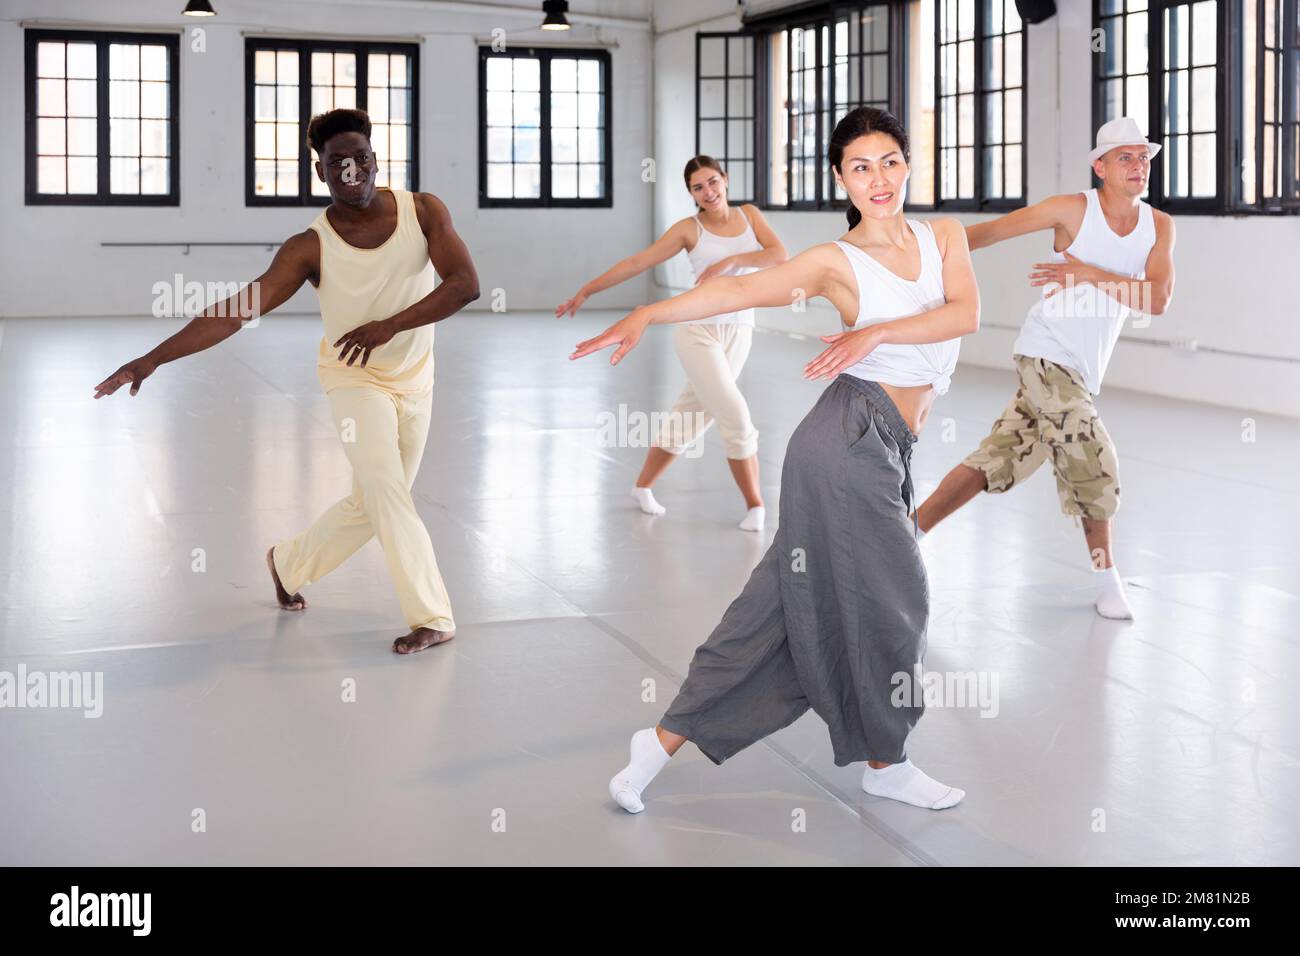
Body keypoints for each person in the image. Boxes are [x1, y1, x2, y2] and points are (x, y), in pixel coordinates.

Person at [571, 107, 980, 812]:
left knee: (775, 613)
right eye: (860, 166)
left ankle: (661, 742)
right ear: (839, 178)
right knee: (896, 601)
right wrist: (649, 313)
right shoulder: (834, 261)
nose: (877, 178)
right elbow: (734, 289)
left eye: (888, 161)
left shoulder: (944, 237)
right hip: (845, 445)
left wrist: (876, 331)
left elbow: (965, 314)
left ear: (908, 164)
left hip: (883, 444)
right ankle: (887, 760)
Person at [93, 108, 480, 654]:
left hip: (416, 378)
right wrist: (152, 359)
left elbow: (465, 285)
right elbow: (236, 311)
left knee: (373, 503)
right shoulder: (310, 246)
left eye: (361, 159)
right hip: (354, 380)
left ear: (377, 160)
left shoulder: (423, 210)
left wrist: (387, 326)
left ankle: (288, 563)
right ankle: (432, 616)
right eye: (337, 163)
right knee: (388, 491)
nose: (352, 172)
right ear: (320, 173)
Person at [913, 116, 1177, 621]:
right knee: (1093, 453)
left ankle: (909, 532)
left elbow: (1158, 299)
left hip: (1081, 368)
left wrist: (1088, 273)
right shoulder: (1071, 210)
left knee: (994, 459)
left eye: (1144, 157)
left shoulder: (1158, 225)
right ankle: (1107, 579)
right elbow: (988, 232)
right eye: (1126, 157)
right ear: (1100, 166)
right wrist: (912, 256)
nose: (1138, 165)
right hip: (1044, 351)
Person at [557, 156, 787, 530]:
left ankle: (642, 486)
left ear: (725, 179)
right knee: (734, 414)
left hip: (739, 330)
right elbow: (636, 262)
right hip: (698, 332)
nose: (708, 192)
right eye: (698, 187)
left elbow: (779, 254)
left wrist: (732, 262)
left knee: (691, 414)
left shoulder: (750, 215)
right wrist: (587, 290)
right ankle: (756, 505)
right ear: (691, 193)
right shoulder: (689, 229)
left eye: (713, 182)